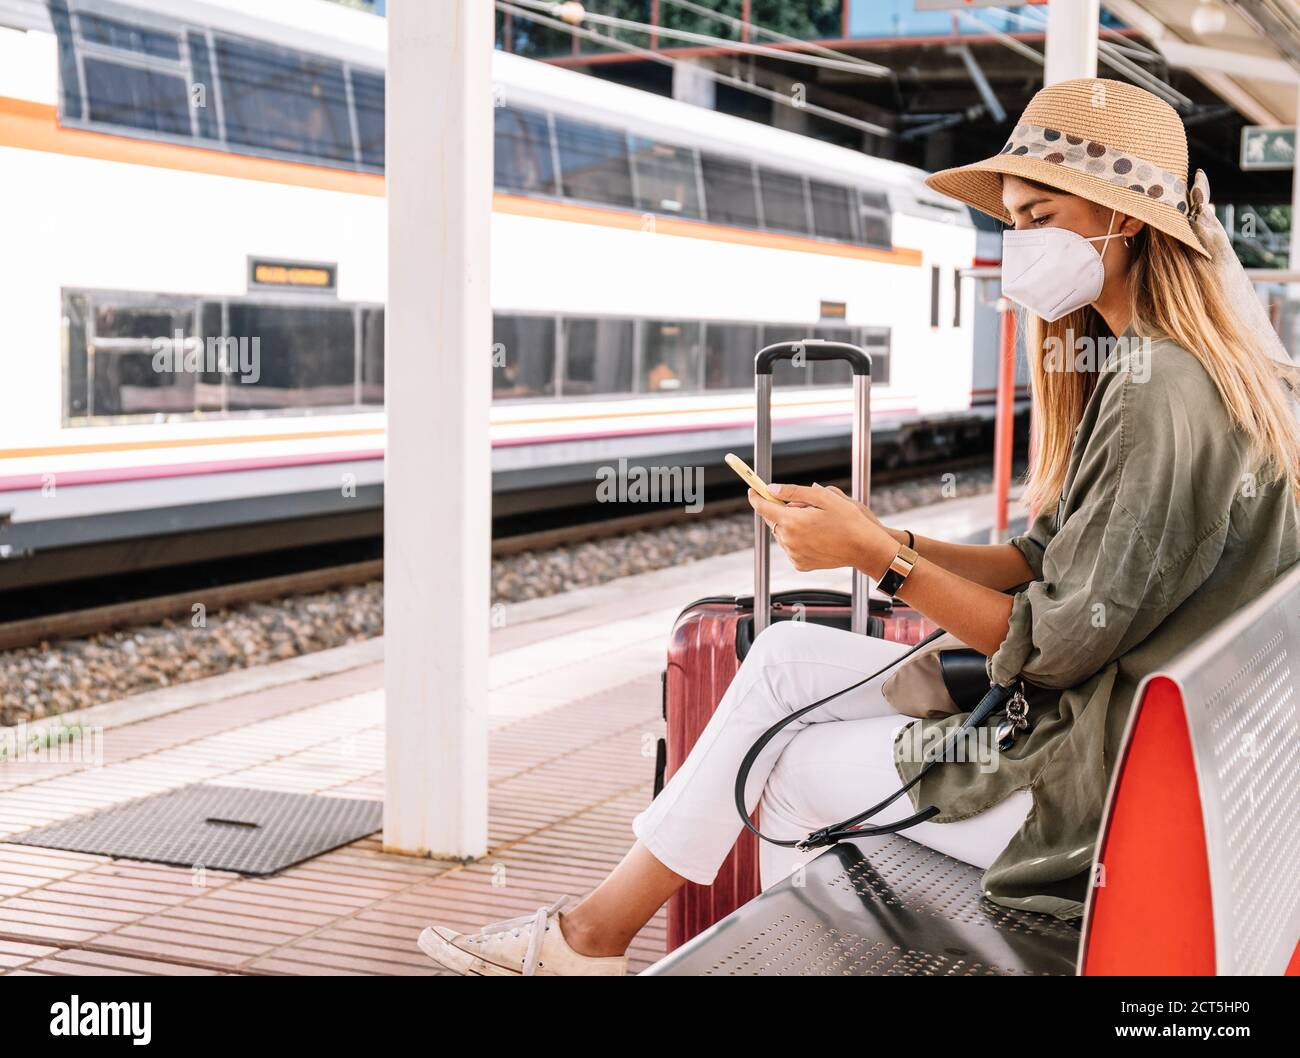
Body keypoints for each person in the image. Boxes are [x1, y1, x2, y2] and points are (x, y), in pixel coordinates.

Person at [416, 78, 1300, 976]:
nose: (1018, 244)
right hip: (1156, 754)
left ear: (1127, 220)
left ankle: (686, 951)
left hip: (1091, 794)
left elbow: (1058, 644)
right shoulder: (1173, 367)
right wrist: (885, 538)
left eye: (1039, 216)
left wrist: (877, 559)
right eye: (1013, 221)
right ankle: (591, 939)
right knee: (786, 658)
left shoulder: (1157, 391)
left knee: (780, 762)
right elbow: (1044, 563)